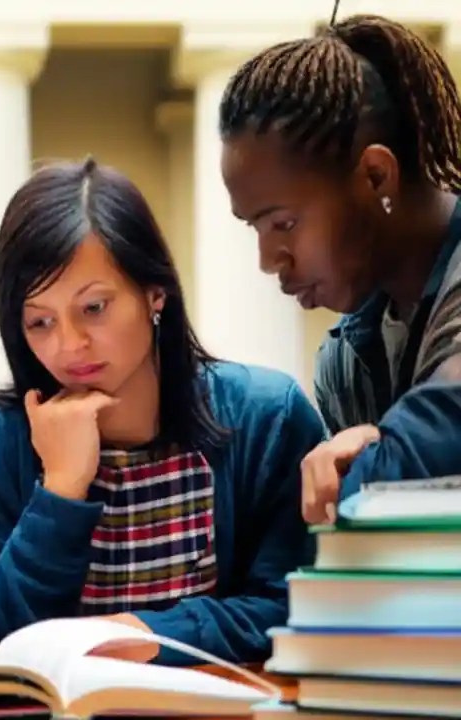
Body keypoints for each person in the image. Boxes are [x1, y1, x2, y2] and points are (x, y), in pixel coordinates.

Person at [0, 159, 326, 664]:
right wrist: (60, 489)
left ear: (154, 293)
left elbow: (294, 605)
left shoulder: (267, 416)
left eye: (94, 308)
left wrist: (147, 633)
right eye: (39, 321)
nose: (69, 345)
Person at [218, 13, 461, 523]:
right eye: (253, 228)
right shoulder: (345, 364)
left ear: (375, 176)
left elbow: (412, 462)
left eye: (282, 222)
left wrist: (377, 452)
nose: (268, 261)